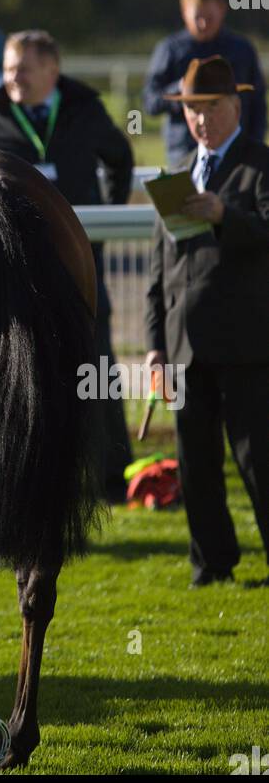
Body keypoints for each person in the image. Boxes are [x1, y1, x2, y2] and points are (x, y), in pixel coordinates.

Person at [0, 30, 134, 499]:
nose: (12, 78)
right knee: (19, 365)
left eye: (22, 68)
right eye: (7, 68)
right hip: (20, 268)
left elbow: (120, 158)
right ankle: (21, 478)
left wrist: (107, 219)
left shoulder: (84, 109)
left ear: (51, 71)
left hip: (81, 263)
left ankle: (110, 477)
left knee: (95, 361)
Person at [144, 55, 269, 587]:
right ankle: (212, 563)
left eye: (210, 107)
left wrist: (225, 217)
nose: (200, 118)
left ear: (235, 106)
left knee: (259, 463)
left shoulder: (259, 164)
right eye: (192, 109)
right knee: (195, 467)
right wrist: (154, 345)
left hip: (246, 347)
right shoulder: (174, 181)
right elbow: (158, 273)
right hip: (184, 348)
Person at [143, 0, 266, 165]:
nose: (203, 24)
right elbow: (150, 102)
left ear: (222, 10)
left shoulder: (241, 50)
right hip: (184, 154)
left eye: (209, 18)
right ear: (184, 12)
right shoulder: (170, 50)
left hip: (237, 156)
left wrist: (255, 148)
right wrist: (182, 90)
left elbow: (257, 104)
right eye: (197, 17)